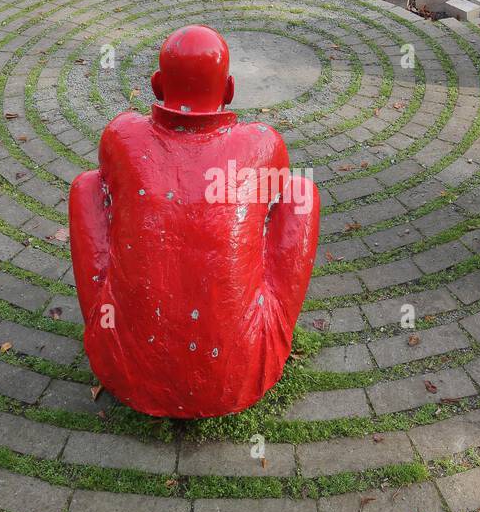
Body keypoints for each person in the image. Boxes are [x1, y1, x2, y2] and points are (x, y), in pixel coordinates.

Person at [69, 26, 320, 417]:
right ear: (229, 89)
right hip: (242, 370)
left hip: (126, 369)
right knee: (300, 193)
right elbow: (274, 199)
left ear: (157, 85)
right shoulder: (262, 143)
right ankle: (270, 328)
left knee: (87, 187)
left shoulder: (121, 135)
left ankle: (107, 331)